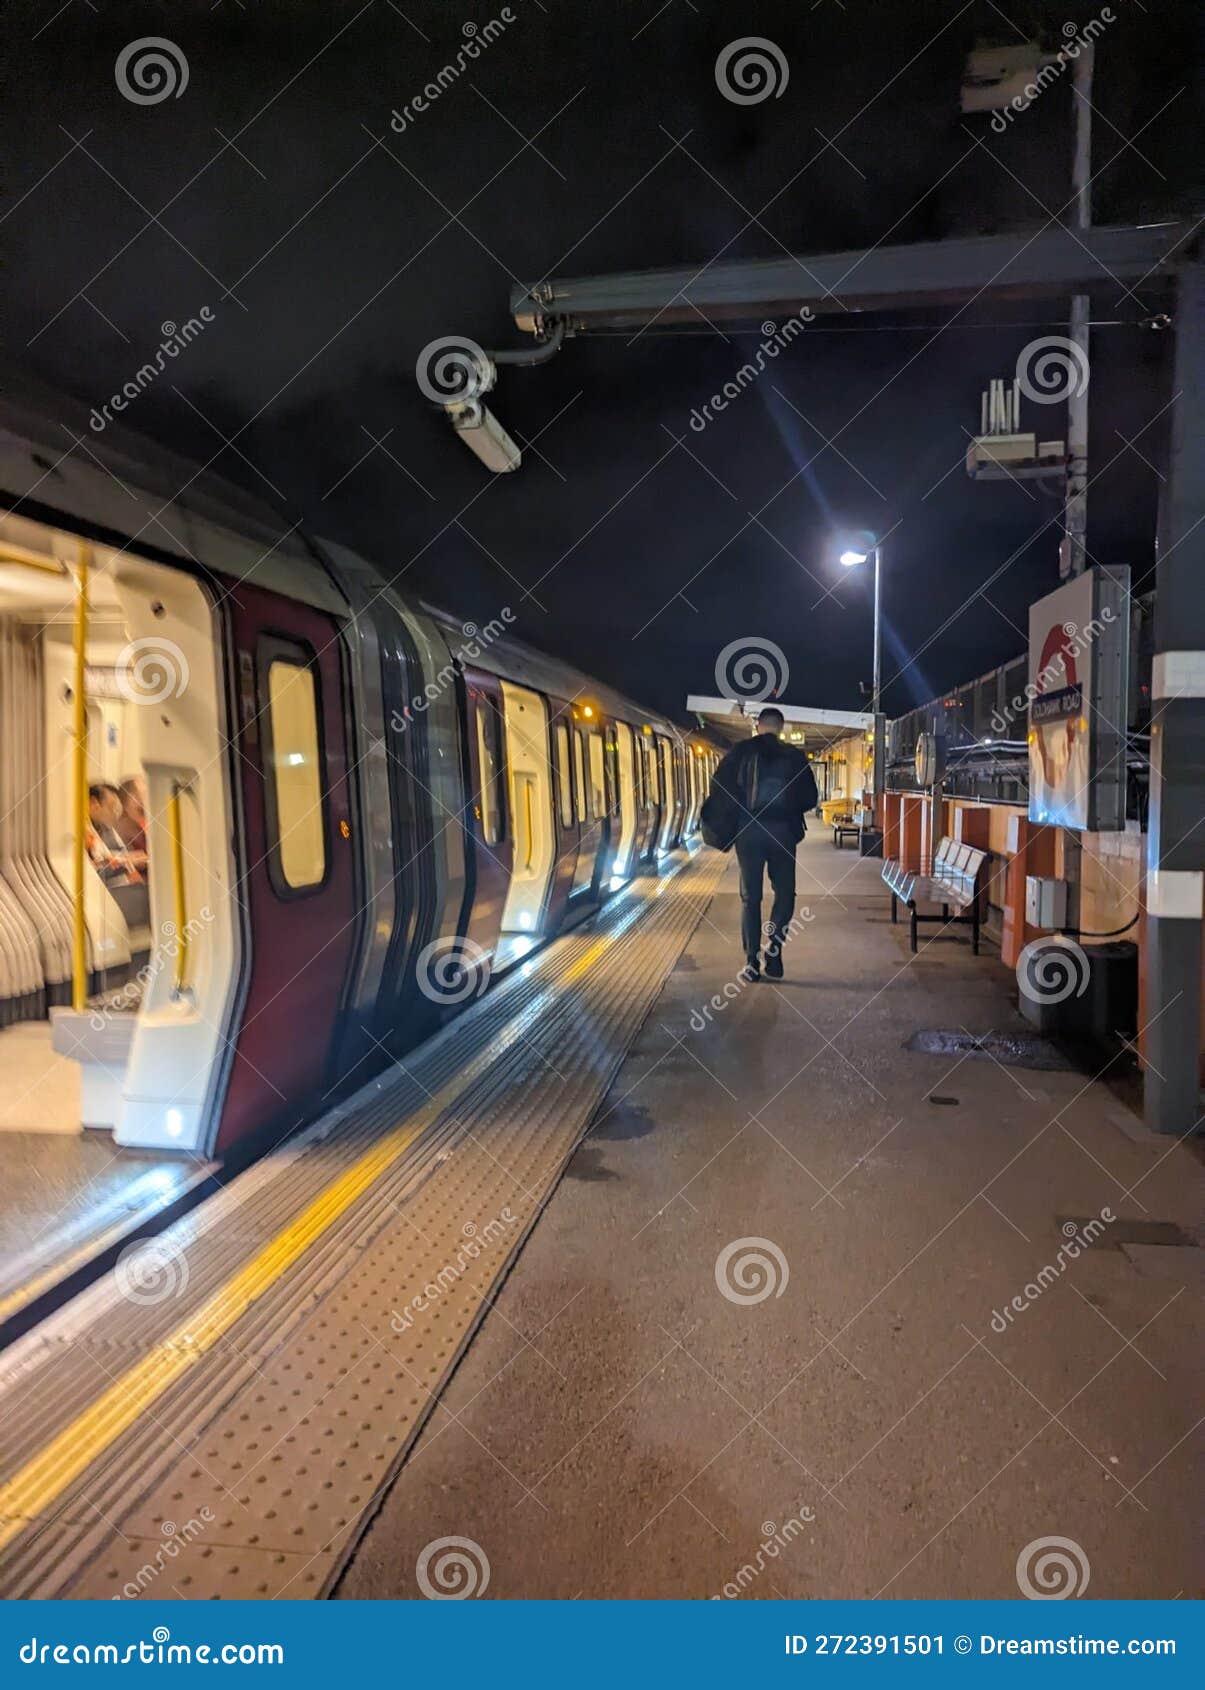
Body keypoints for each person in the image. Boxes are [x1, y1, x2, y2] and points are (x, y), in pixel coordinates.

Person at [711, 706, 818, 981]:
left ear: (758, 726)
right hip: (782, 832)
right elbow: (810, 798)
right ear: (781, 728)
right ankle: (774, 947)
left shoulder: (740, 752)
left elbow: (720, 788)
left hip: (749, 832)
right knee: (784, 893)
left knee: (751, 897)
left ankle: (750, 962)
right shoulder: (794, 757)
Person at [87, 783, 147, 885]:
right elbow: (94, 871)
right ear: (93, 803)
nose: (115, 814)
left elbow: (109, 856)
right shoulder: (83, 833)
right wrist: (128, 862)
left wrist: (128, 857)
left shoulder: (103, 828)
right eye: (111, 808)